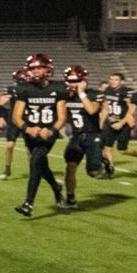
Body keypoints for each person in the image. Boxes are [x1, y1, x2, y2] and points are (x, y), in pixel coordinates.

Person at [12, 53, 67, 216]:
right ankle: (56, 187)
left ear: (47, 69)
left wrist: (51, 131)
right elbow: (16, 116)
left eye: (38, 67)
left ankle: (28, 203)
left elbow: (62, 116)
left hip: (48, 133)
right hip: (30, 133)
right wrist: (29, 129)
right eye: (32, 68)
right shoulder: (24, 88)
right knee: (39, 165)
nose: (35, 71)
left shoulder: (58, 88)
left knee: (36, 160)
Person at [60, 64, 103, 209]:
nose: (73, 84)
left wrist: (81, 93)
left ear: (83, 81)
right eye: (70, 81)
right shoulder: (65, 97)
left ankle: (103, 163)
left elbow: (91, 110)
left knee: (93, 172)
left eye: (76, 81)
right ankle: (70, 198)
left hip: (93, 136)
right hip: (76, 136)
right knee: (70, 167)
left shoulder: (94, 94)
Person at [99, 72, 133, 176]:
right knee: (106, 147)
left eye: (116, 79)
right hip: (110, 122)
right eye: (111, 79)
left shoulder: (126, 92)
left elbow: (131, 109)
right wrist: (100, 125)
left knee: (122, 150)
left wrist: (121, 123)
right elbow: (105, 109)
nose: (113, 81)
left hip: (123, 123)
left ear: (122, 82)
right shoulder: (107, 91)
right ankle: (110, 169)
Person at [0, 68, 27, 180]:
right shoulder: (12, 90)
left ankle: (35, 170)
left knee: (30, 149)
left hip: (29, 120)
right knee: (9, 146)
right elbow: (0, 103)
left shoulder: (33, 89)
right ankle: (7, 168)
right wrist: (0, 117)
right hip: (14, 120)